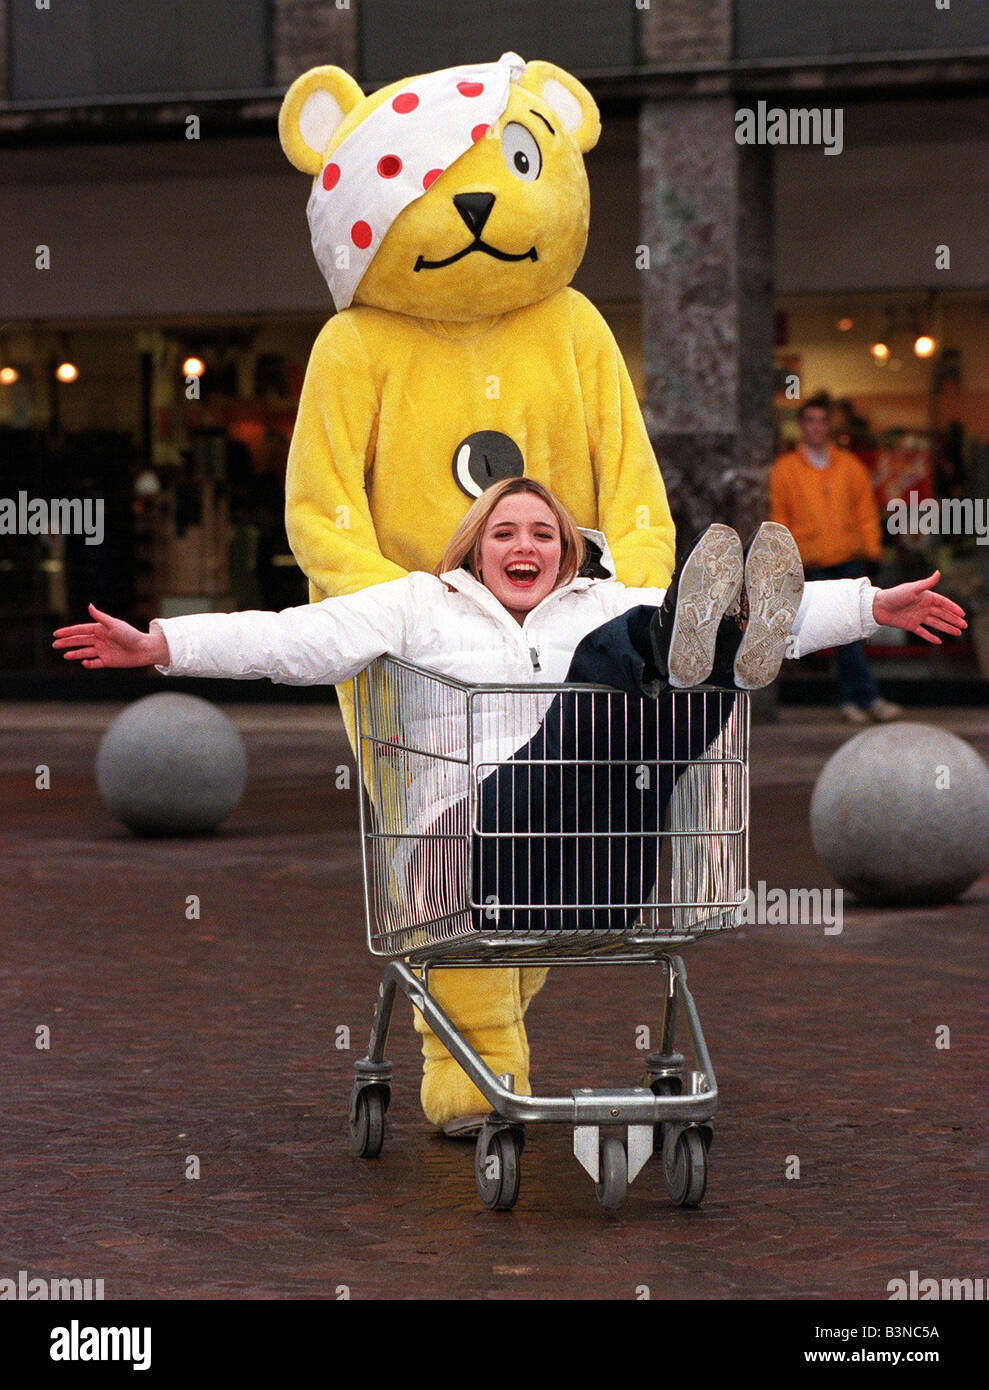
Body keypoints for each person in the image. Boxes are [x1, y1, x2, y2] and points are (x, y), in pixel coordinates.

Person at [53, 479, 965, 1131]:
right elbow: (296, 640)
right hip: (480, 852)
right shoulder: (419, 605)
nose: (524, 546)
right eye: (505, 532)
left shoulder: (596, 599)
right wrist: (162, 642)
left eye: (543, 532)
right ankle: (702, 664)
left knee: (660, 679)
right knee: (614, 671)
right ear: (473, 546)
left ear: (567, 549)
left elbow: (778, 617)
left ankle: (721, 661)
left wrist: (867, 604)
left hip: (602, 871)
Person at [770, 392, 903, 724]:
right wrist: (786, 561)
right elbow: (779, 518)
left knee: (851, 632)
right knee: (836, 631)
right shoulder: (785, 470)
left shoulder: (851, 467)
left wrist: (872, 551)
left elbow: (866, 513)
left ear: (829, 425)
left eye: (822, 420)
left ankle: (855, 699)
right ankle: (863, 698)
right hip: (810, 562)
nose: (816, 427)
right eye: (810, 420)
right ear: (800, 425)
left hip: (848, 558)